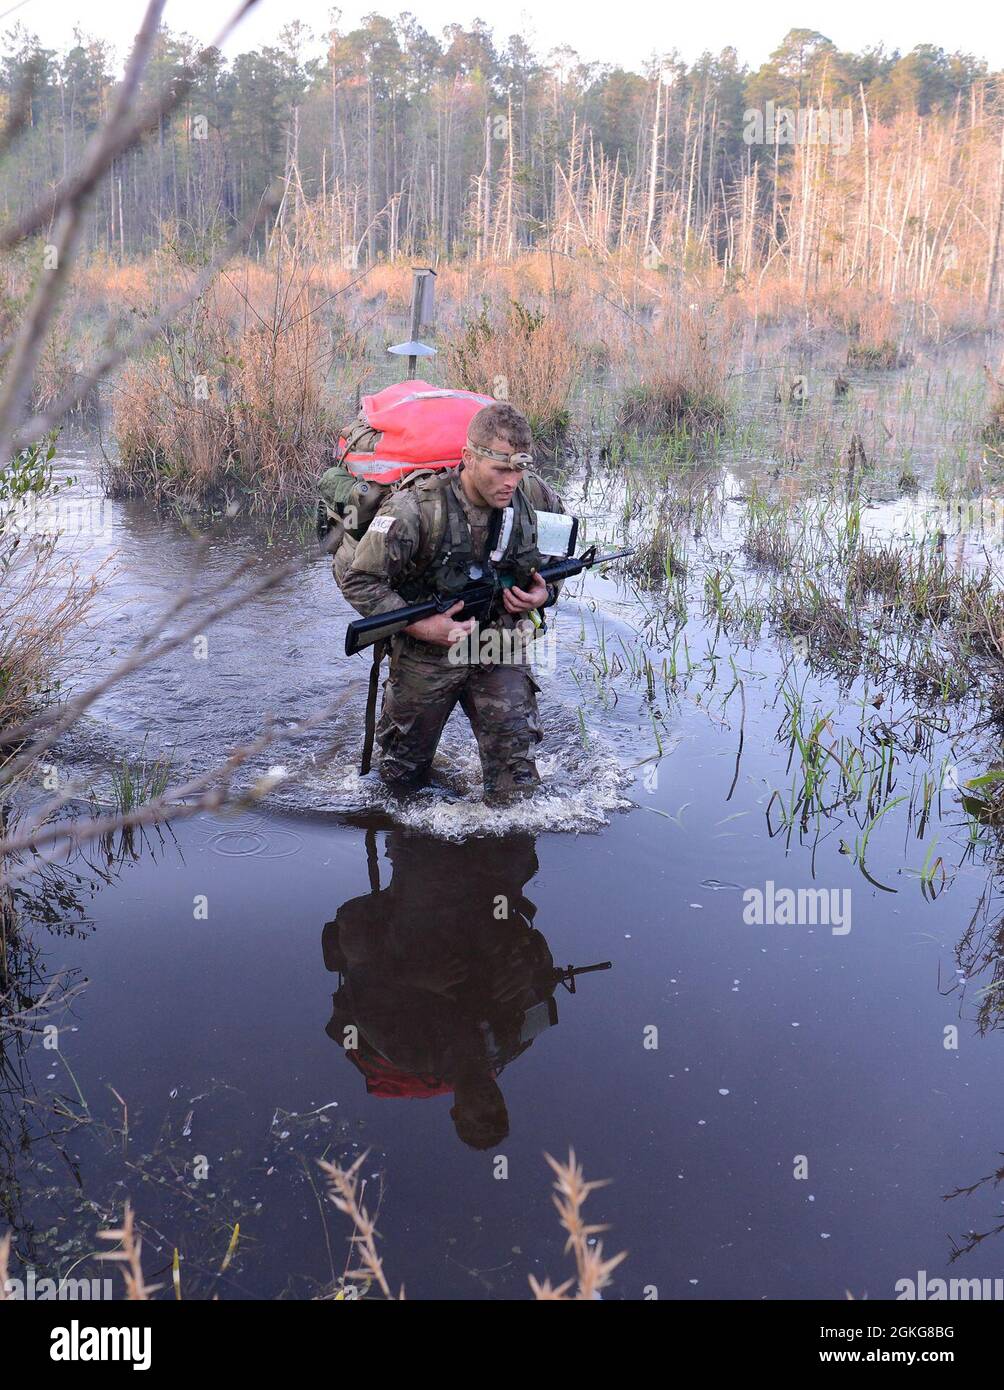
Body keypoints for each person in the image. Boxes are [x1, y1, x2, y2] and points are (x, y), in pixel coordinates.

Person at [337, 402, 566, 801]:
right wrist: (423, 626)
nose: (510, 481)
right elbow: (360, 579)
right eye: (500, 469)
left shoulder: (534, 496)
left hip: (499, 644)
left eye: (518, 469)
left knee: (518, 789)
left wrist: (543, 593)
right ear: (468, 459)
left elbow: (557, 559)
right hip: (426, 653)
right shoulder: (415, 510)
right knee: (401, 783)